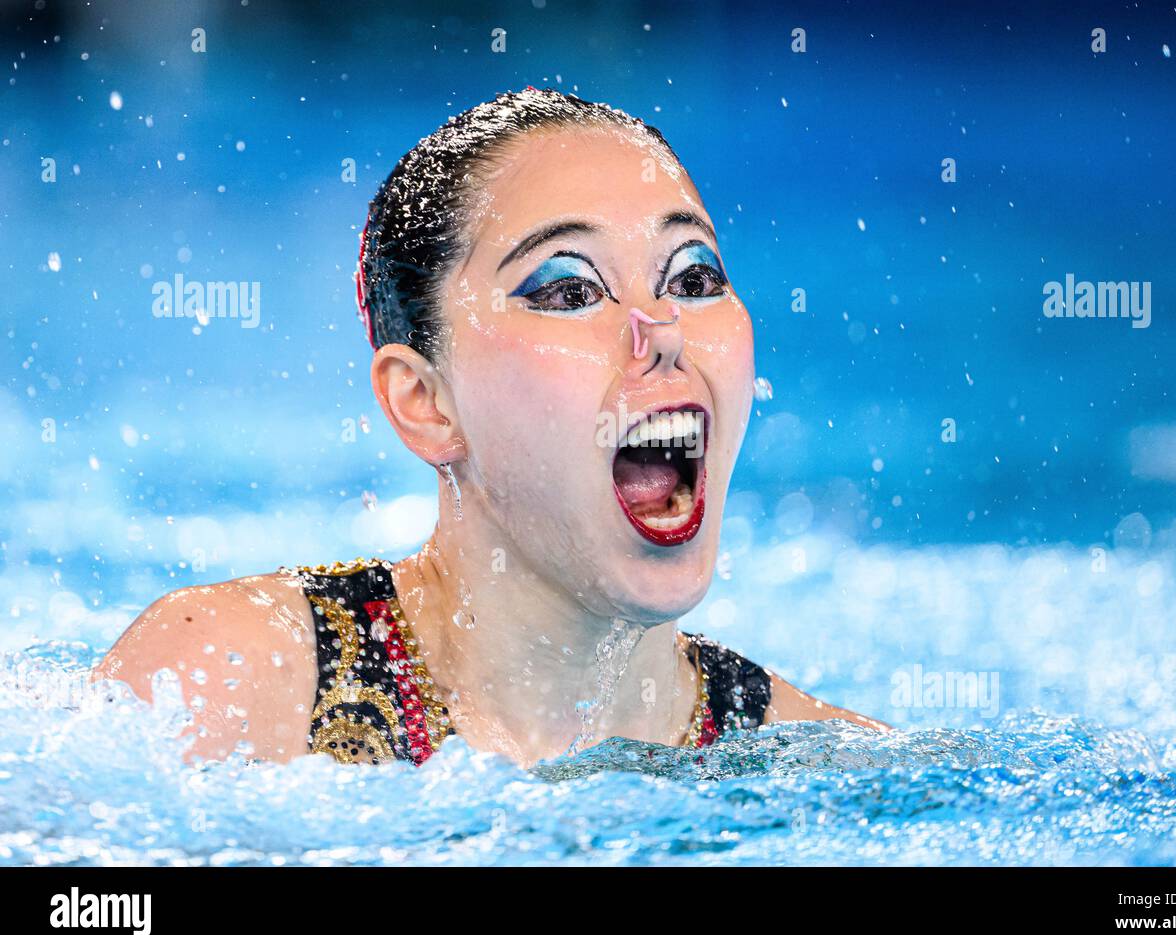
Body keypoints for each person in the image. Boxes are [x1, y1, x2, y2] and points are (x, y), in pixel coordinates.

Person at [93, 89, 887, 767]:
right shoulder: (232, 685)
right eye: (571, 289)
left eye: (694, 275)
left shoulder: (811, 763)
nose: (664, 327)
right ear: (426, 403)